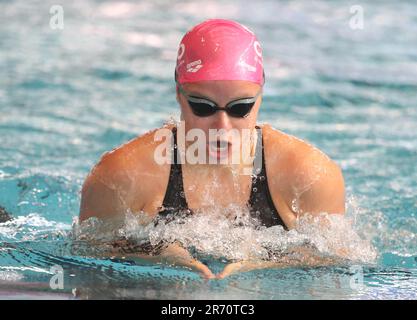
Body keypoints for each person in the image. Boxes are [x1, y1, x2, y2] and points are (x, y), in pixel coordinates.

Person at [79, 19, 345, 279]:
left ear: (261, 96)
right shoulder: (123, 175)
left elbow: (337, 268)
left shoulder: (310, 176)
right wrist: (155, 254)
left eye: (240, 108)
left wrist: (263, 264)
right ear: (178, 94)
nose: (222, 127)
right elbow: (88, 266)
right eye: (203, 107)